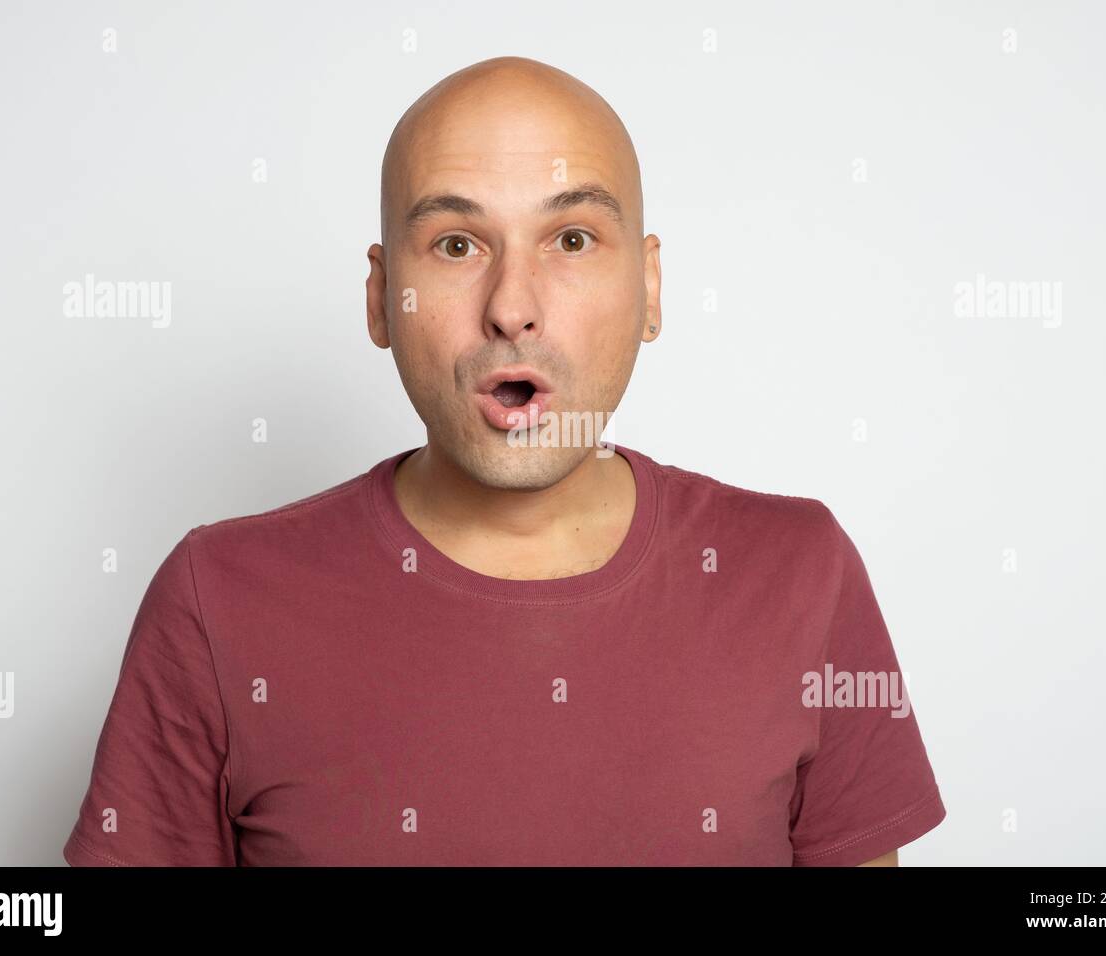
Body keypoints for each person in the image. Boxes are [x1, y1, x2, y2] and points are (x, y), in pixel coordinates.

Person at [63, 55, 945, 866]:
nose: (512, 308)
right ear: (380, 302)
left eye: (570, 240)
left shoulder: (799, 571)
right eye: (456, 245)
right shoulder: (214, 597)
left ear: (650, 290)